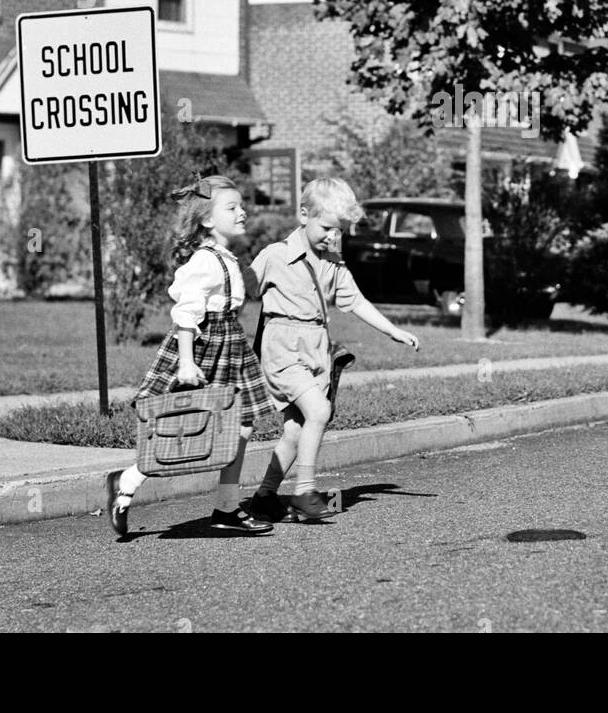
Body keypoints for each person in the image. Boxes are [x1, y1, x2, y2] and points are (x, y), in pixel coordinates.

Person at [105, 175, 275, 537]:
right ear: (208, 220)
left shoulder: (226, 257)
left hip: (230, 345)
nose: (242, 212)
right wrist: (186, 360)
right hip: (202, 345)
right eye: (232, 208)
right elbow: (186, 312)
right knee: (175, 424)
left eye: (241, 206)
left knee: (241, 425)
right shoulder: (206, 261)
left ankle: (227, 508)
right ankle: (127, 482)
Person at [246, 178, 420, 522]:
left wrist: (393, 331)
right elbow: (242, 289)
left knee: (297, 429)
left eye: (339, 230)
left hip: (316, 349)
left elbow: (355, 301)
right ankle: (303, 492)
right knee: (320, 411)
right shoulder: (275, 255)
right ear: (303, 215)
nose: (333, 236)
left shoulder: (334, 263)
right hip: (282, 348)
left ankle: (264, 496)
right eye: (326, 227)